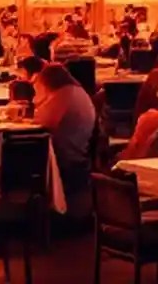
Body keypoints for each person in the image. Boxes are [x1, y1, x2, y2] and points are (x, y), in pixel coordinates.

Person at [32, 64, 98, 215]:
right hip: (80, 151)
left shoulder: (62, 96)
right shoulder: (75, 91)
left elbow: (41, 121)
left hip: (67, 158)